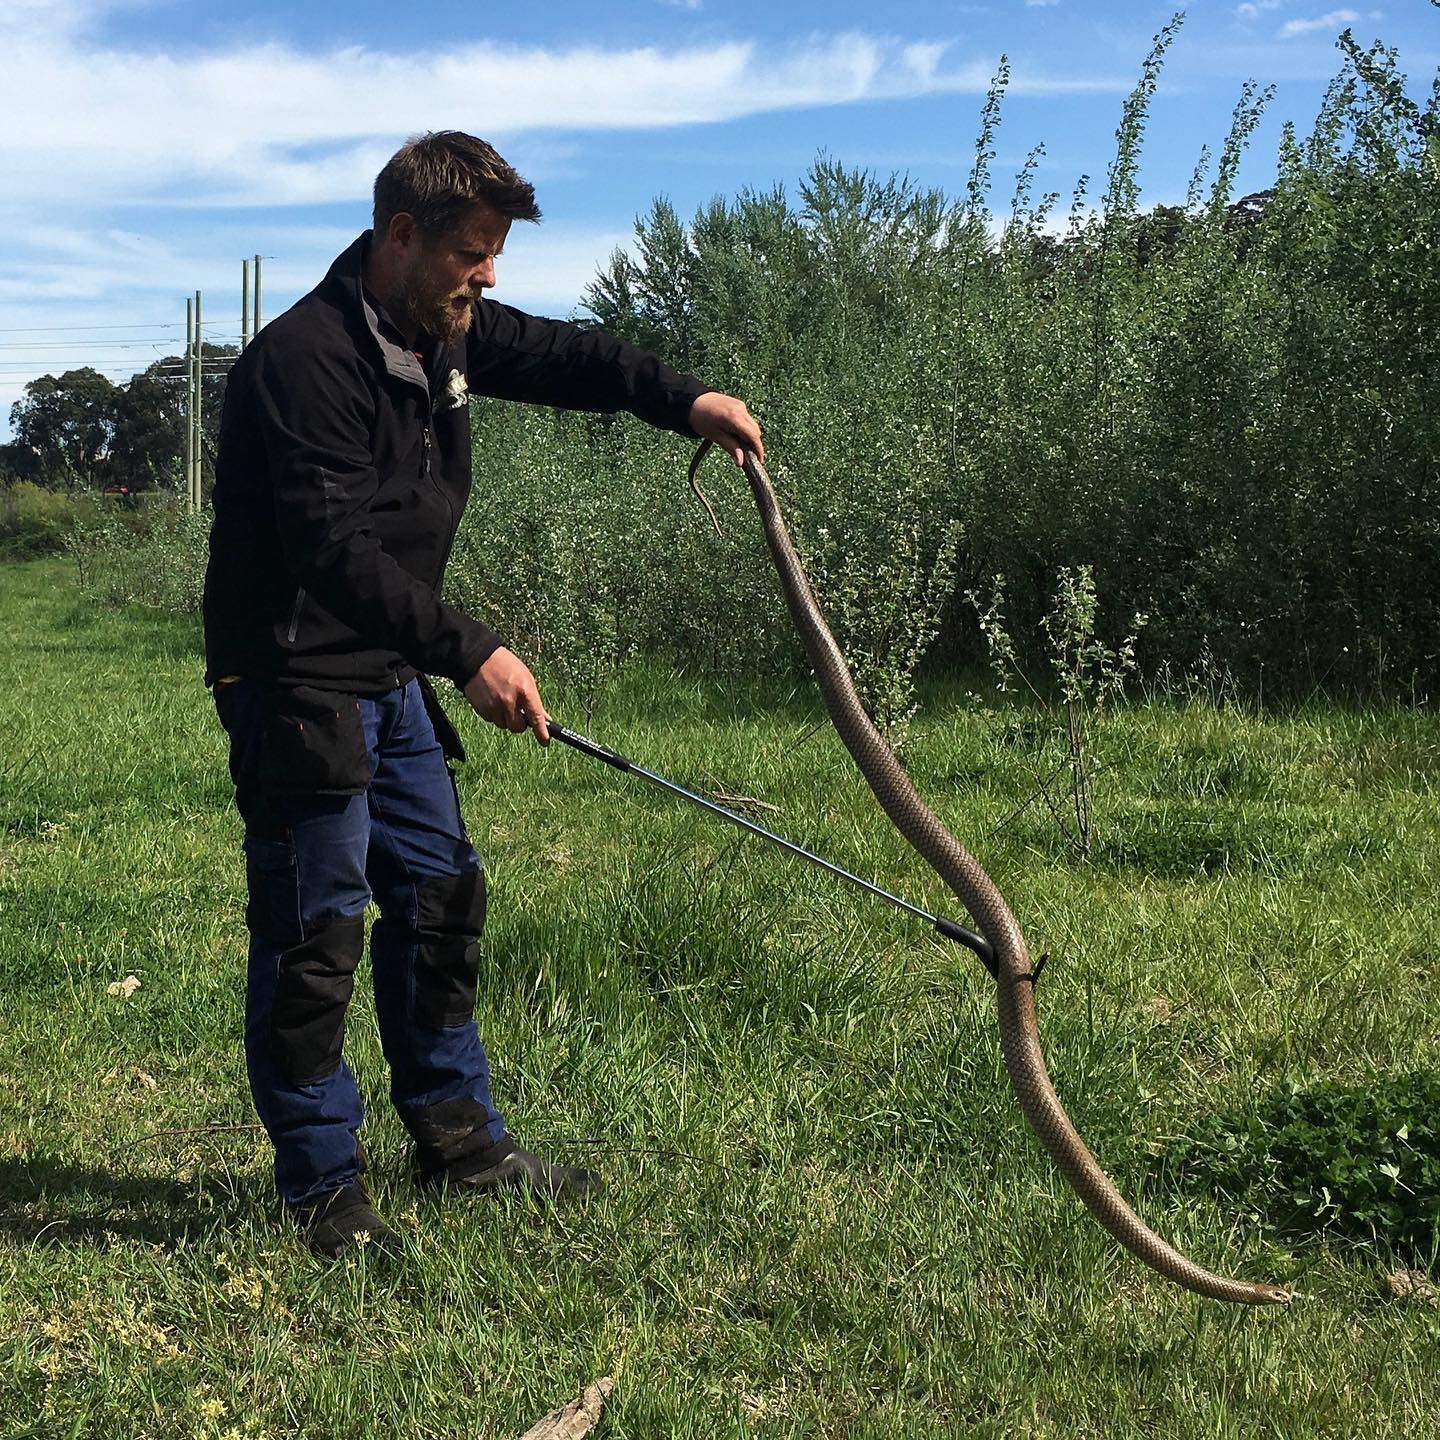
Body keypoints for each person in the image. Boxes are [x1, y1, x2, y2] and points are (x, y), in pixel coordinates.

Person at [203, 130, 763, 1258]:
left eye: (497, 253)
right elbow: (332, 552)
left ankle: (462, 1145)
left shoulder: (442, 330)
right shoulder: (302, 359)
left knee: (440, 900)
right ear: (401, 235)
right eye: (473, 252)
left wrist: (687, 399)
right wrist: (472, 652)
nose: (489, 276)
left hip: (389, 670)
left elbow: (572, 358)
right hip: (295, 673)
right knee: (316, 936)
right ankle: (321, 1187)